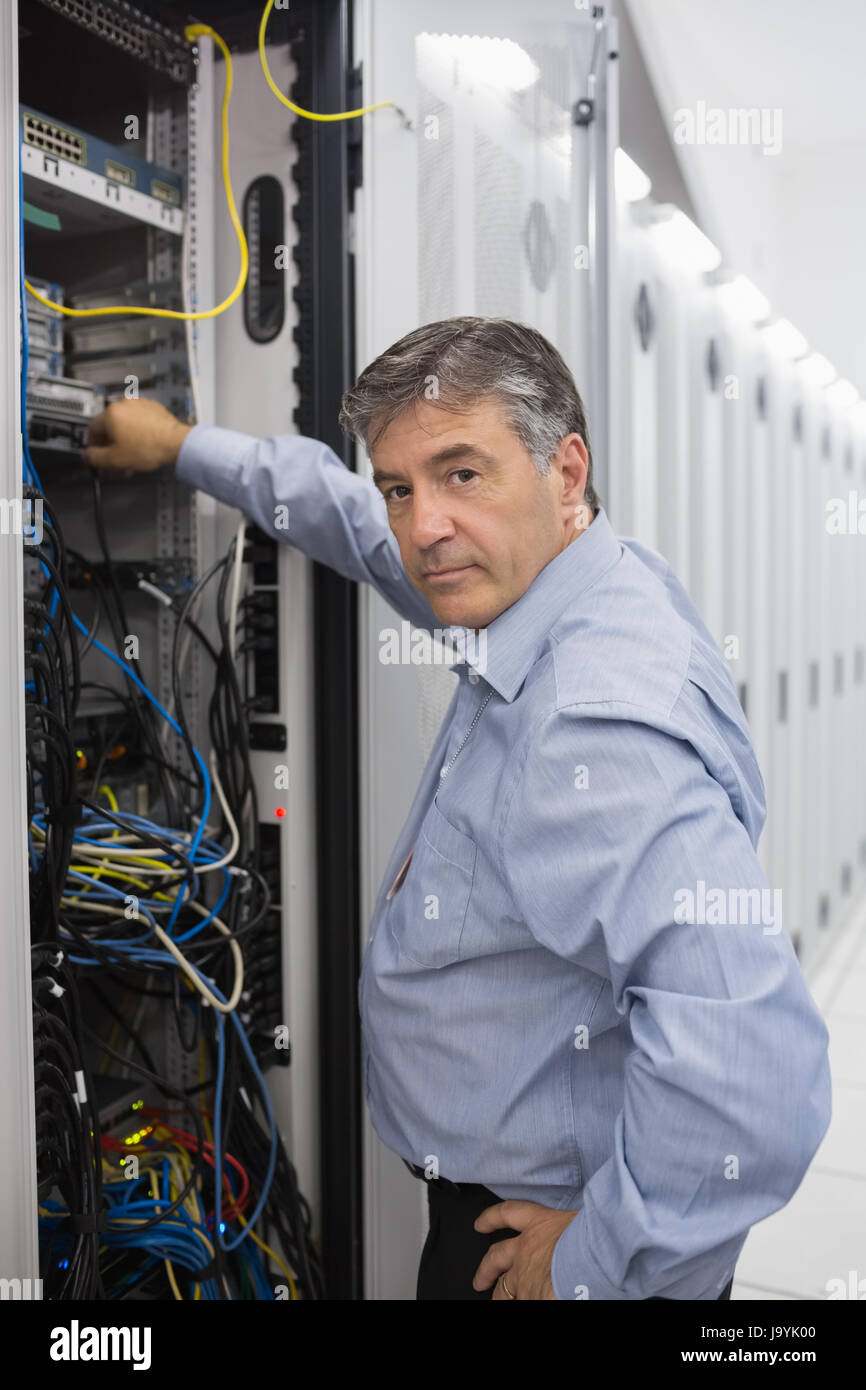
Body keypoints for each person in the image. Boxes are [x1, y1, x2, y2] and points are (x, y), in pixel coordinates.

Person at [83, 316, 832, 1301]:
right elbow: (360, 529)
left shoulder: (590, 728)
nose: (420, 523)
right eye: (401, 485)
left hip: (531, 1244)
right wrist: (183, 446)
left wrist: (591, 1263)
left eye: (459, 473)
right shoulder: (559, 581)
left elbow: (750, 1071)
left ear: (564, 472)